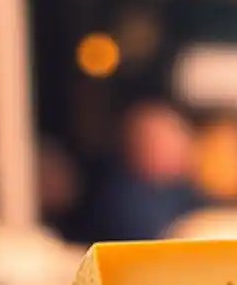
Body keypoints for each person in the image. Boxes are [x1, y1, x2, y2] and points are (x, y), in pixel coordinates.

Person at [84, 101, 203, 242]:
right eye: (162, 141)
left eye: (179, 138)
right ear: (136, 146)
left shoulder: (189, 191)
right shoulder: (123, 201)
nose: (179, 147)